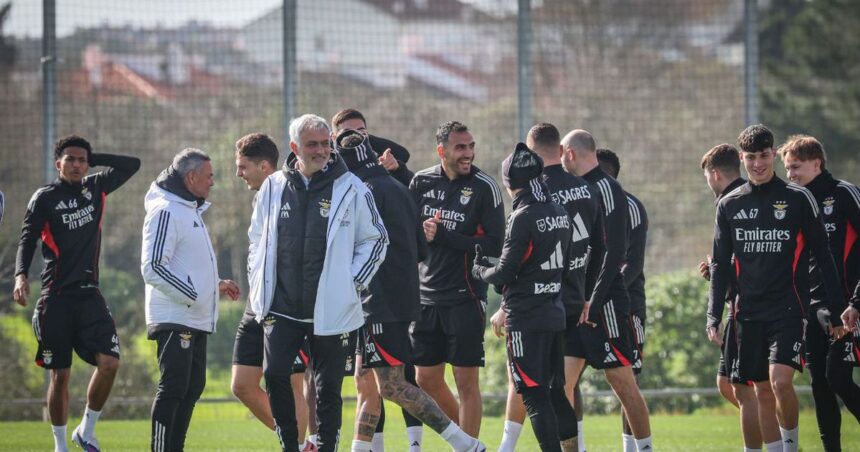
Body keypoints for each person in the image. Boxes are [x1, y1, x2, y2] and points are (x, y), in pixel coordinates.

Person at [335, 130, 485, 452]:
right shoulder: (400, 188)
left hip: (378, 302)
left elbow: (353, 249)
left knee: (392, 386)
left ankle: (466, 445)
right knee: (373, 385)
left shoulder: (363, 192)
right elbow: (422, 250)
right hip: (399, 300)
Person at [247, 114, 388, 452]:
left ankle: (326, 447)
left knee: (327, 390)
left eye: (326, 143)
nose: (322, 150)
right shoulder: (273, 186)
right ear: (295, 147)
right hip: (281, 307)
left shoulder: (352, 187)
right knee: (277, 374)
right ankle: (289, 445)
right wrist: (258, 283)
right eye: (313, 144)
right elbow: (256, 239)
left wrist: (351, 282)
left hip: (333, 309)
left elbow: (377, 239)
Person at [708, 124, 845, 452]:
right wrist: (713, 314)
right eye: (751, 157)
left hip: (788, 310)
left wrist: (839, 310)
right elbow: (719, 264)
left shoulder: (798, 199)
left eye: (764, 155)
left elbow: (824, 257)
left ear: (773, 155)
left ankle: (791, 445)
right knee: (758, 391)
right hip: (747, 314)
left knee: (780, 381)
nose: (758, 163)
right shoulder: (729, 205)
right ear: (742, 158)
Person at [13, 135, 139, 452]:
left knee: (110, 363)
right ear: (58, 164)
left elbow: (132, 165)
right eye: (70, 159)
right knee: (61, 375)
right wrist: (20, 275)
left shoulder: (96, 187)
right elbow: (27, 239)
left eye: (82, 160)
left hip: (89, 295)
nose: (77, 165)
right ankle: (59, 445)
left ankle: (87, 430)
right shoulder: (44, 197)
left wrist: (94, 157)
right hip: (55, 297)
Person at [493, 123, 603, 452]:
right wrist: (587, 295)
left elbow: (529, 256)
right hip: (574, 300)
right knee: (559, 387)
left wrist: (504, 304)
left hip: (539, 300)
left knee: (531, 385)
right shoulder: (585, 188)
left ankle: (507, 446)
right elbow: (600, 245)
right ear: (559, 150)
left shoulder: (536, 194)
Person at [473, 143, 577, 451]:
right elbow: (566, 265)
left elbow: (504, 273)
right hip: (554, 313)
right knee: (556, 391)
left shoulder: (523, 216)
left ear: (509, 183)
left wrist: (480, 269)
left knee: (533, 395)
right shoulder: (558, 210)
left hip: (526, 319)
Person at [331, 108, 424, 450]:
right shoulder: (338, 175)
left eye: (362, 131)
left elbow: (406, 168)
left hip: (386, 295)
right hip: (357, 298)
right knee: (365, 381)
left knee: (395, 380)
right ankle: (373, 445)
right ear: (334, 138)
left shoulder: (382, 170)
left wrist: (395, 169)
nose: (359, 138)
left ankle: (437, 442)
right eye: (349, 133)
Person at [409, 120, 506, 437]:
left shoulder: (484, 187)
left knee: (466, 383)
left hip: (465, 297)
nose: (468, 153)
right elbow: (409, 234)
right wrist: (421, 235)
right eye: (460, 147)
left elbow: (494, 245)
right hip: (424, 299)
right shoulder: (420, 182)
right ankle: (466, 442)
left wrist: (444, 236)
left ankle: (468, 445)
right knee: (425, 379)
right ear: (442, 151)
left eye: (471, 146)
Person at [560, 129, 653, 451]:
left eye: (562, 153)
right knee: (562, 384)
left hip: (607, 304)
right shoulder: (572, 190)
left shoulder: (609, 189)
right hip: (575, 305)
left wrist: (595, 300)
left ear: (570, 153)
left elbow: (616, 253)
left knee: (623, 382)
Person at [142, 148, 240, 452]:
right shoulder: (166, 210)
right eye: (209, 176)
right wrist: (194, 294)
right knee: (173, 388)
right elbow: (154, 267)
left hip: (194, 317)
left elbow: (186, 265)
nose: (212, 182)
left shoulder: (188, 209)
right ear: (191, 176)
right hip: (175, 317)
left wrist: (214, 285)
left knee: (191, 387)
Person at [778, 135, 860, 451]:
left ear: (817, 163)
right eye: (787, 169)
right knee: (820, 385)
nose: (791, 175)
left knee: (837, 376)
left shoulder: (843, 194)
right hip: (812, 308)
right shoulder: (796, 202)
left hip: (846, 306)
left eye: (796, 167)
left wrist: (855, 301)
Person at [231, 133, 313, 448]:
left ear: (264, 166)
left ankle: (296, 444)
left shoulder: (290, 193)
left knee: (293, 384)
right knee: (242, 385)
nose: (239, 174)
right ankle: (300, 444)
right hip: (256, 305)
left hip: (285, 308)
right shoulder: (260, 197)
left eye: (243, 166)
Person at [700, 143, 781, 451]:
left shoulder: (736, 201)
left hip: (751, 310)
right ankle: (776, 435)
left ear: (714, 173)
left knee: (749, 388)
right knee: (730, 385)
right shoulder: (731, 201)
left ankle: (780, 437)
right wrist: (716, 270)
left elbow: (752, 260)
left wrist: (721, 277)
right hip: (741, 305)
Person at [596, 148, 650, 451]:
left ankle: (634, 447)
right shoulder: (582, 202)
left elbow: (634, 264)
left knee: (627, 380)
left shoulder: (630, 207)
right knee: (568, 377)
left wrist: (603, 294)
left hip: (625, 305)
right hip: (585, 305)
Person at [331, 108, 414, 186]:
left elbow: (415, 187)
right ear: (334, 138)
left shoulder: (379, 163)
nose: (355, 135)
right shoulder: (328, 166)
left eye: (361, 130)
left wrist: (398, 169)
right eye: (347, 132)